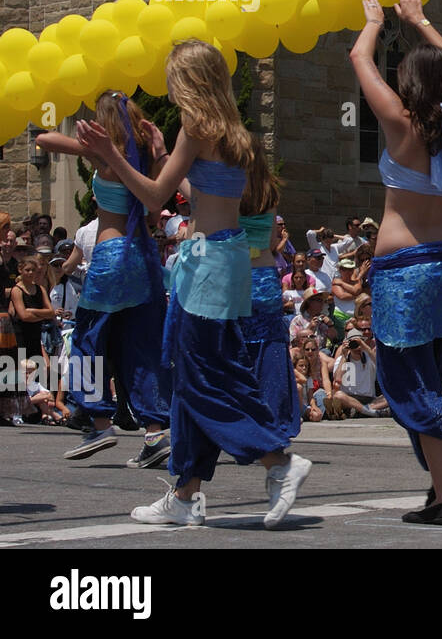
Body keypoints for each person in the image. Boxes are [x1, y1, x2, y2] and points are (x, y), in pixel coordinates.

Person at [77, 42, 309, 529]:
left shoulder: (196, 126)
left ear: (188, 80)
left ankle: (276, 461)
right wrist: (162, 156)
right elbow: (206, 194)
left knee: (202, 376)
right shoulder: (236, 134)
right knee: (196, 373)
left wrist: (110, 156)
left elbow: (155, 197)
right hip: (225, 260)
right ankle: (185, 494)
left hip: (207, 264)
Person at [348, 0, 442, 525]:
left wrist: (376, 21)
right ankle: (439, 474)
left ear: (411, 84)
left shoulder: (400, 126)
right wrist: (422, 22)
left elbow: (358, 57)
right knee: (426, 377)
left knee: (410, 383)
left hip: (406, 273)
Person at [34, 94, 173, 464]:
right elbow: (153, 208)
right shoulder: (145, 159)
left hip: (111, 257)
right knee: (142, 345)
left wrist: (85, 142)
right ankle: (155, 431)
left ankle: (98, 422)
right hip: (143, 259)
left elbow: (43, 139)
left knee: (87, 339)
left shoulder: (102, 153)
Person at [237, 143, 299, 444]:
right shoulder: (269, 193)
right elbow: (273, 239)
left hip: (237, 276)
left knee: (237, 350)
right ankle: (274, 421)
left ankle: (241, 421)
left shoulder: (232, 190)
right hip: (265, 275)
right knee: (270, 350)